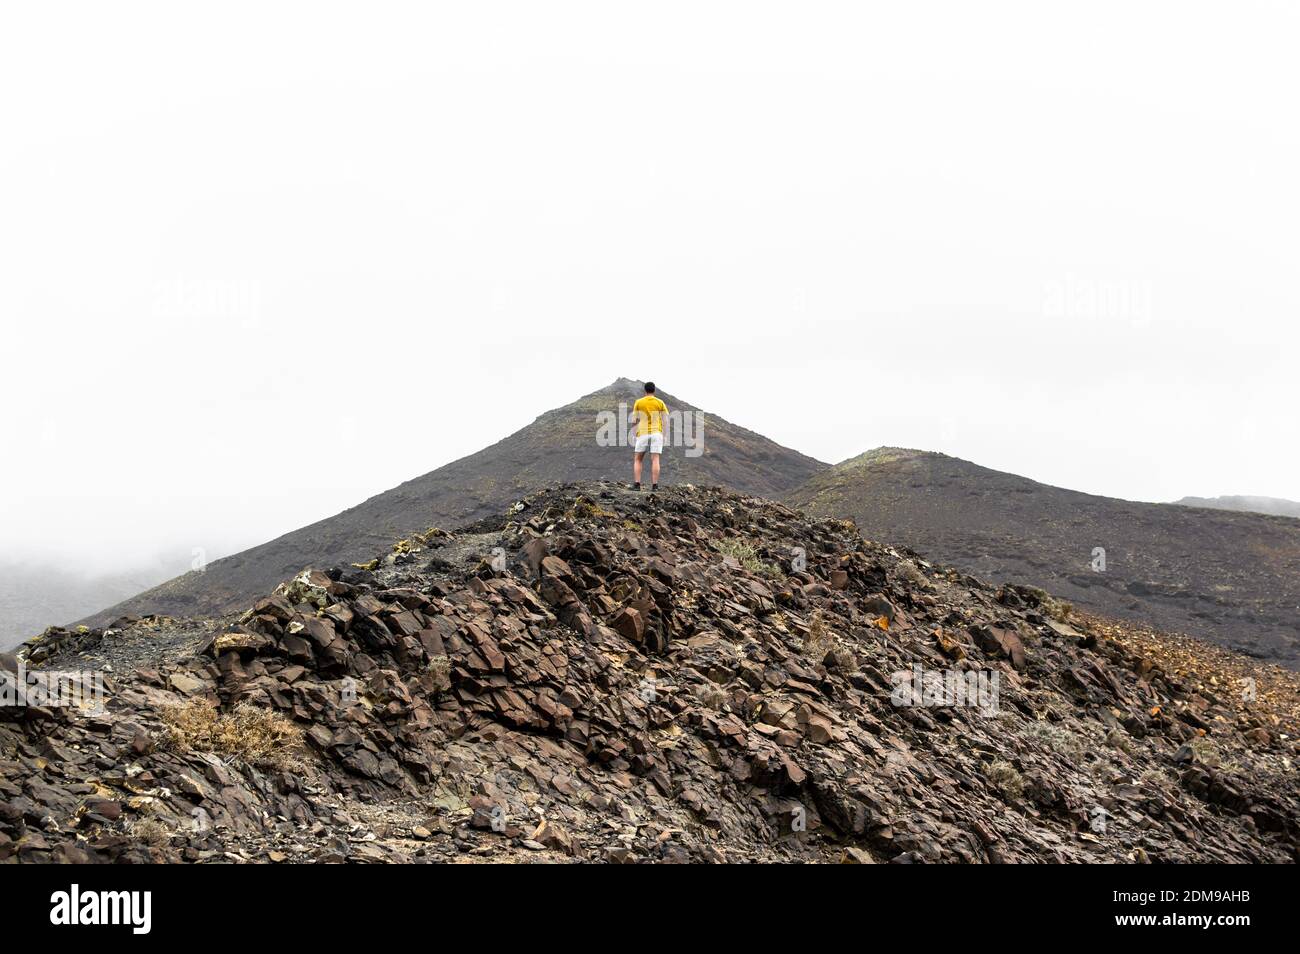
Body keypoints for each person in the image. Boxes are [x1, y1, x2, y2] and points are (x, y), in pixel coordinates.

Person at [630, 381, 668, 492]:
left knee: (638, 459)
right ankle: (655, 486)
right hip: (657, 433)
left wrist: (633, 433)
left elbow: (634, 420)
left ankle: (637, 484)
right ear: (654, 390)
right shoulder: (660, 402)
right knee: (655, 459)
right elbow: (665, 420)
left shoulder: (639, 402)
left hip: (642, 433)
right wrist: (664, 435)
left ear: (645, 390)